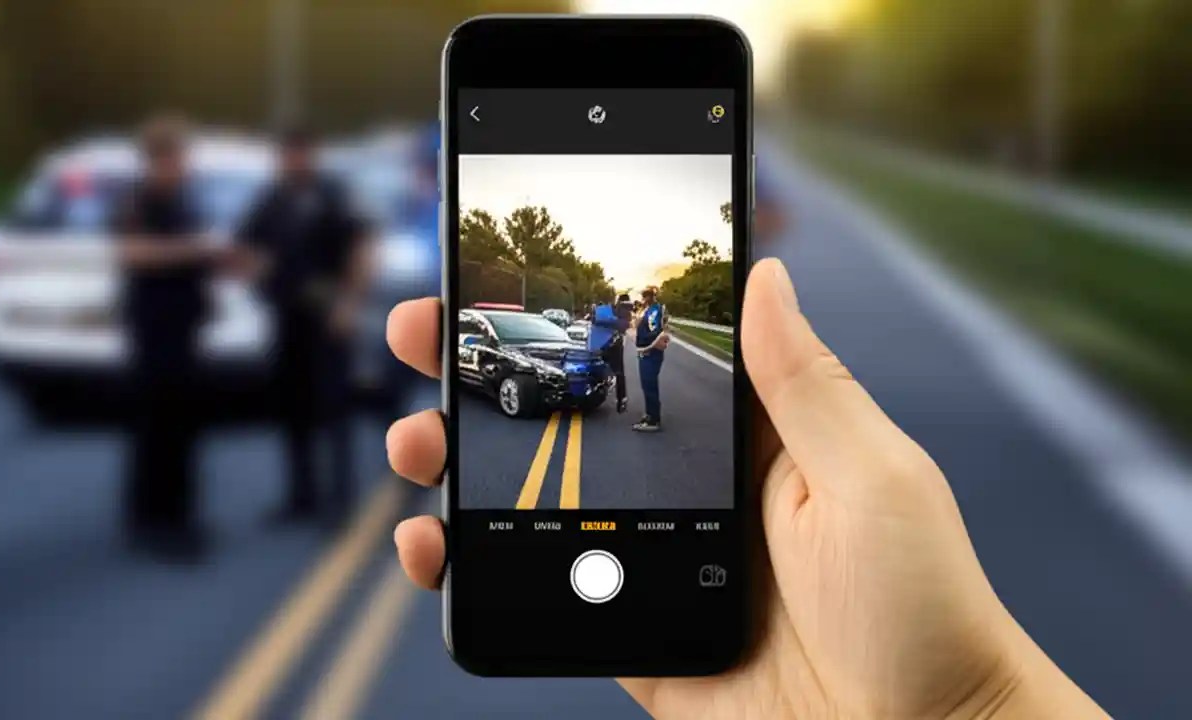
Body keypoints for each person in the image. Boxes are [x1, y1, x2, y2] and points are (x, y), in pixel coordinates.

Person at [381, 259, 1109, 720]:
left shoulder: (620, 324)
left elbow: (636, 340)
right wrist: (975, 705)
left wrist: (967, 704)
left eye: (639, 299)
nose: (634, 303)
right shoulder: (510, 333)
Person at [234, 124, 369, 525]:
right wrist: (257, 271)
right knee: (292, 411)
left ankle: (340, 501)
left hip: (327, 316)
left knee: (333, 409)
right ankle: (300, 497)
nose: (294, 160)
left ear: (312, 153)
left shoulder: (333, 195)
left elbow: (360, 248)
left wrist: (349, 304)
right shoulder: (272, 199)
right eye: (288, 153)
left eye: (301, 152)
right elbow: (244, 245)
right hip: (287, 317)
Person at [113, 113, 219, 560]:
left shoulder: (182, 201)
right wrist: (195, 249)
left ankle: (180, 516)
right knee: (155, 428)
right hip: (155, 333)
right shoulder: (142, 202)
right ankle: (154, 523)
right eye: (175, 156)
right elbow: (134, 252)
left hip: (183, 331)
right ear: (157, 159)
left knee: (182, 428)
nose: (182, 164)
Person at [632, 286, 668, 432]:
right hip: (646, 351)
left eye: (645, 296)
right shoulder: (649, 310)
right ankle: (649, 414)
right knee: (646, 385)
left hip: (650, 352)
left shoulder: (654, 311)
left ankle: (653, 420)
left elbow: (654, 332)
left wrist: (644, 344)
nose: (644, 299)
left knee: (650, 385)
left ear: (650, 297)